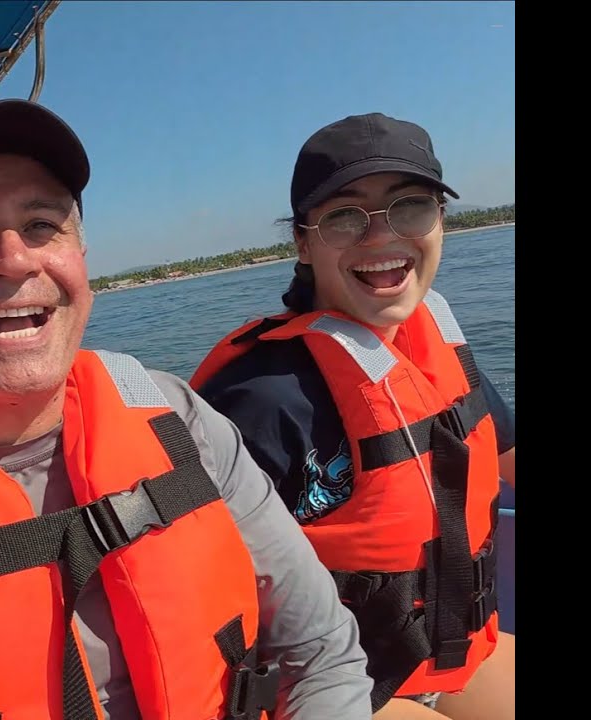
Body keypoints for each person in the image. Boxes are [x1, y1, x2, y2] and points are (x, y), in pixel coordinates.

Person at [0, 99, 375, 720]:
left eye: (42, 225)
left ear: (81, 263)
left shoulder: (180, 420)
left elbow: (322, 654)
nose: (14, 260)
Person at [190, 112, 515, 719]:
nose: (382, 237)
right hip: (328, 684)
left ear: (441, 220)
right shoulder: (261, 400)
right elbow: (193, 597)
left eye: (411, 206)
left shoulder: (438, 352)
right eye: (344, 216)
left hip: (450, 652)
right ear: (303, 242)